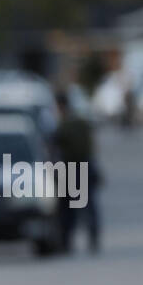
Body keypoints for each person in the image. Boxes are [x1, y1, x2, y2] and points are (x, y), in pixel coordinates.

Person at [52, 90, 101, 253]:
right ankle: (92, 239)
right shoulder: (80, 121)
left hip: (72, 168)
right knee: (87, 207)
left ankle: (67, 242)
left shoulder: (65, 124)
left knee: (69, 210)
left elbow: (56, 145)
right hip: (85, 166)